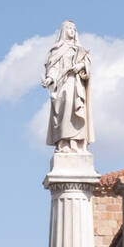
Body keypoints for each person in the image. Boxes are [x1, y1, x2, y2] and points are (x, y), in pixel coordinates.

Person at [43, 21, 93, 151]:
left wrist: (80, 66)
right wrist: (49, 79)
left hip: (75, 84)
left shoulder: (80, 50)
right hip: (62, 85)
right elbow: (53, 68)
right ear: (64, 31)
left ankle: (77, 143)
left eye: (74, 29)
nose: (72, 30)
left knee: (75, 109)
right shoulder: (58, 49)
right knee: (65, 110)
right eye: (69, 28)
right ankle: (64, 143)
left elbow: (87, 66)